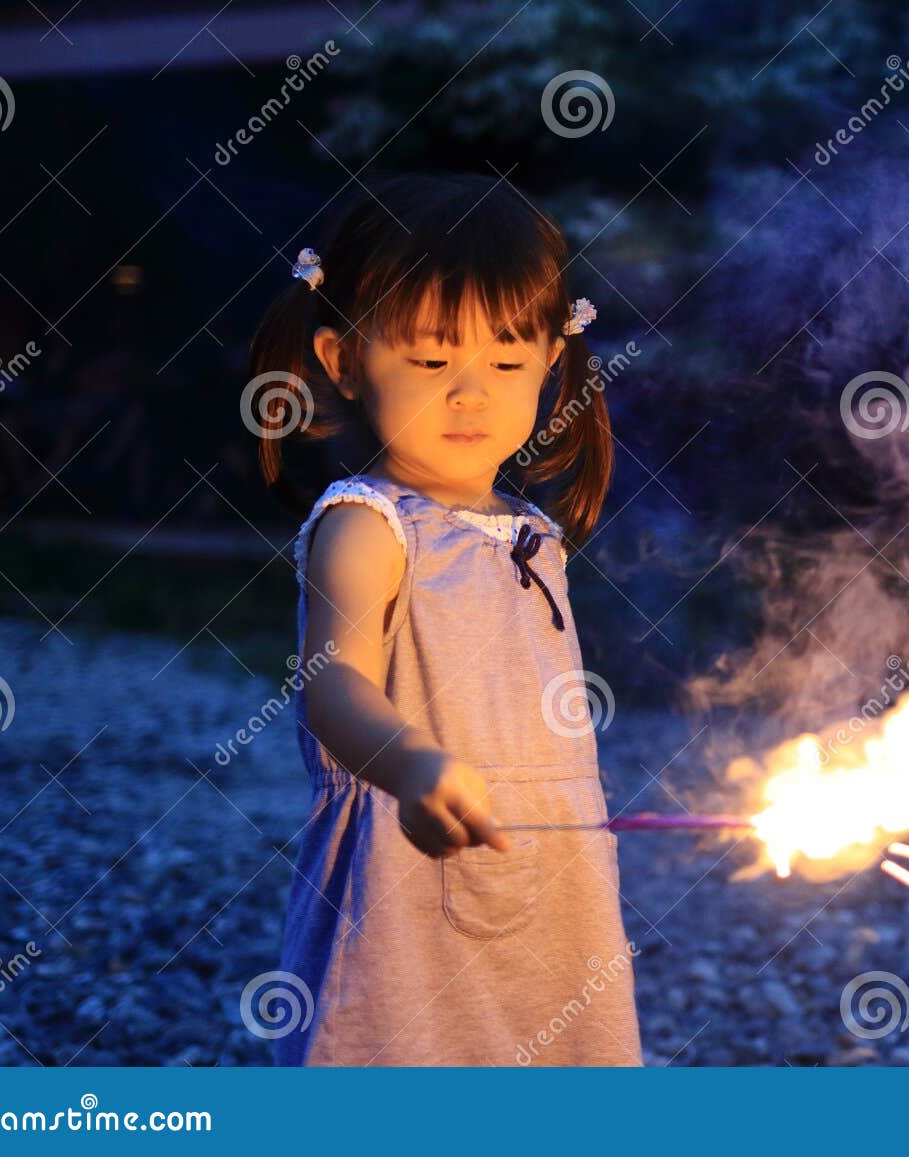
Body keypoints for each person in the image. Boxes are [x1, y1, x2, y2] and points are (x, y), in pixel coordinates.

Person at [248, 172, 640, 1065]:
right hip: (408, 878)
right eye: (432, 363)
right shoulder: (369, 524)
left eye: (506, 363)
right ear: (345, 360)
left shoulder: (534, 533)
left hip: (553, 885)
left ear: (552, 361)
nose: (471, 394)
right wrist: (413, 763)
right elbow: (332, 685)